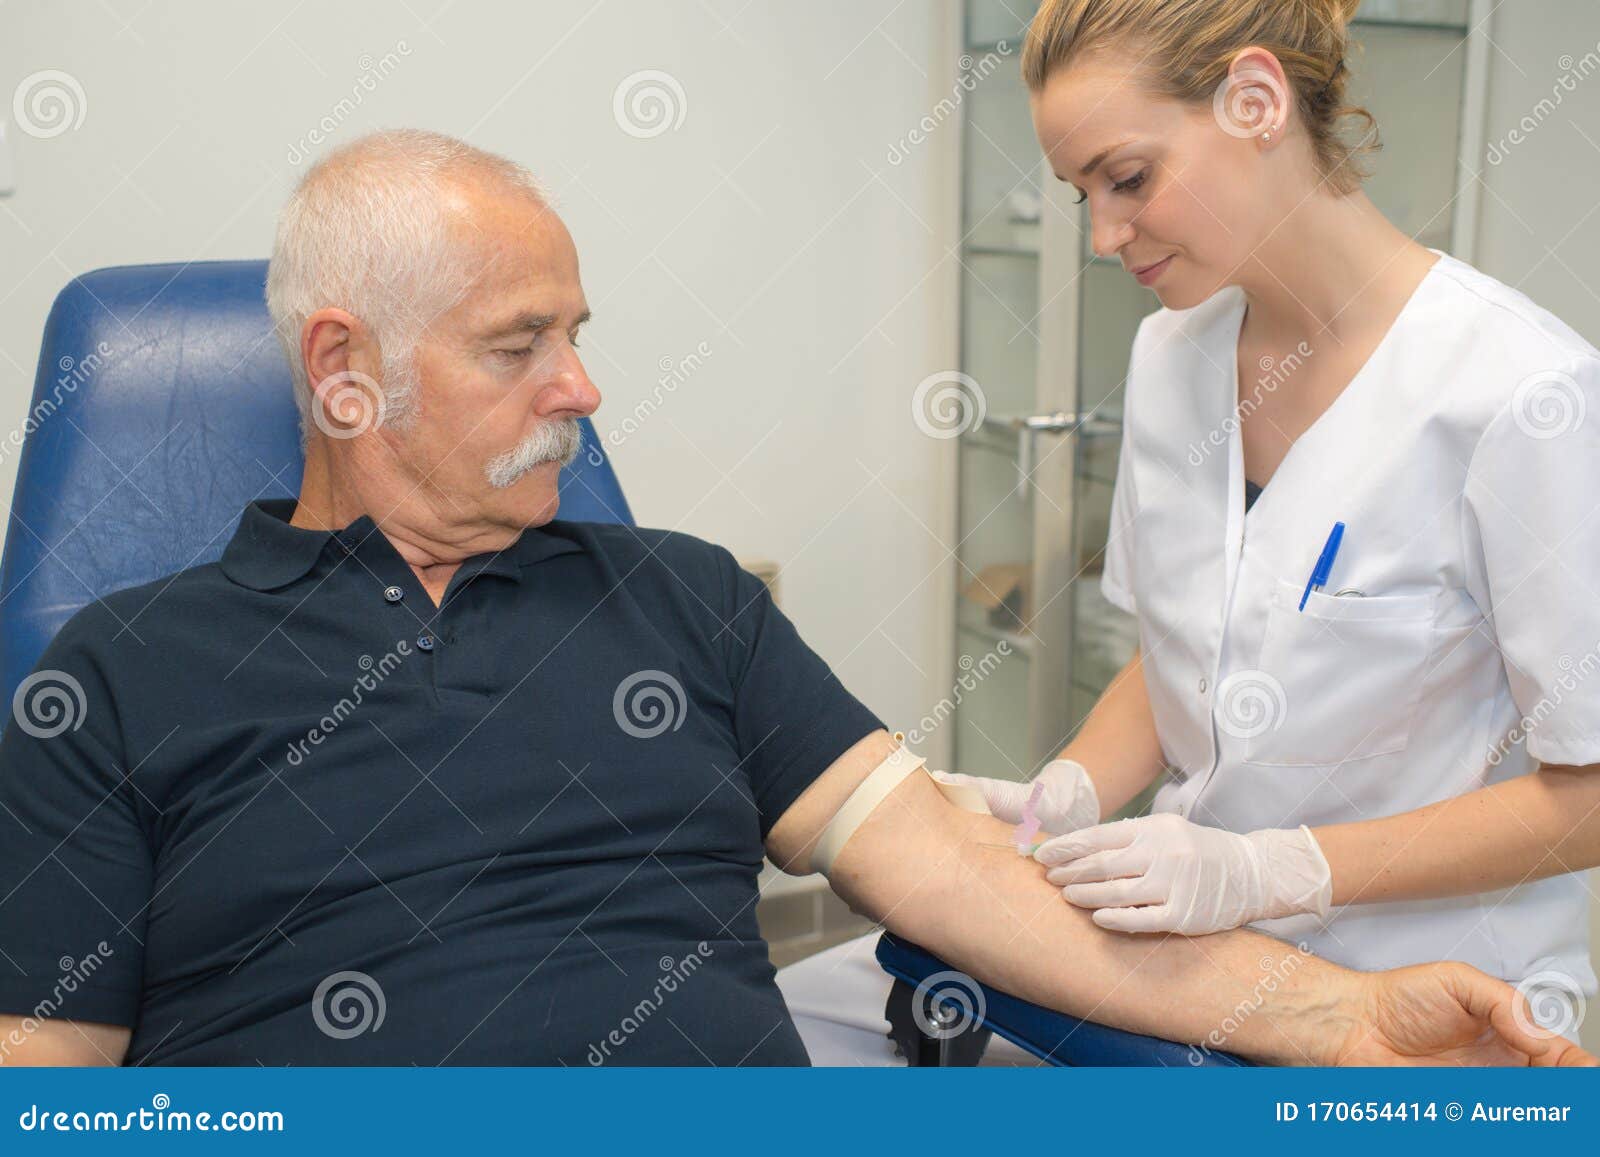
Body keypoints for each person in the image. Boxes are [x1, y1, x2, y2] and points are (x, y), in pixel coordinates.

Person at [0, 130, 1588, 1068]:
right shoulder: (120, 673)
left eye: (580, 329)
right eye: (519, 346)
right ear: (342, 371)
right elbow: (45, 1084)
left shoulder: (679, 601)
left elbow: (980, 891)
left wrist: (1349, 1022)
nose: (585, 384)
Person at [786, 0, 1600, 1061]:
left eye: (1128, 178)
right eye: (1082, 193)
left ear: (1254, 101)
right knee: (781, 1026)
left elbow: (1581, 797)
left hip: (1424, 998)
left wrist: (1277, 867)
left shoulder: (1519, 396)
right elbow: (1184, 655)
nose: (1105, 234)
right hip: (1186, 954)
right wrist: (1057, 798)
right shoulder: (1173, 356)